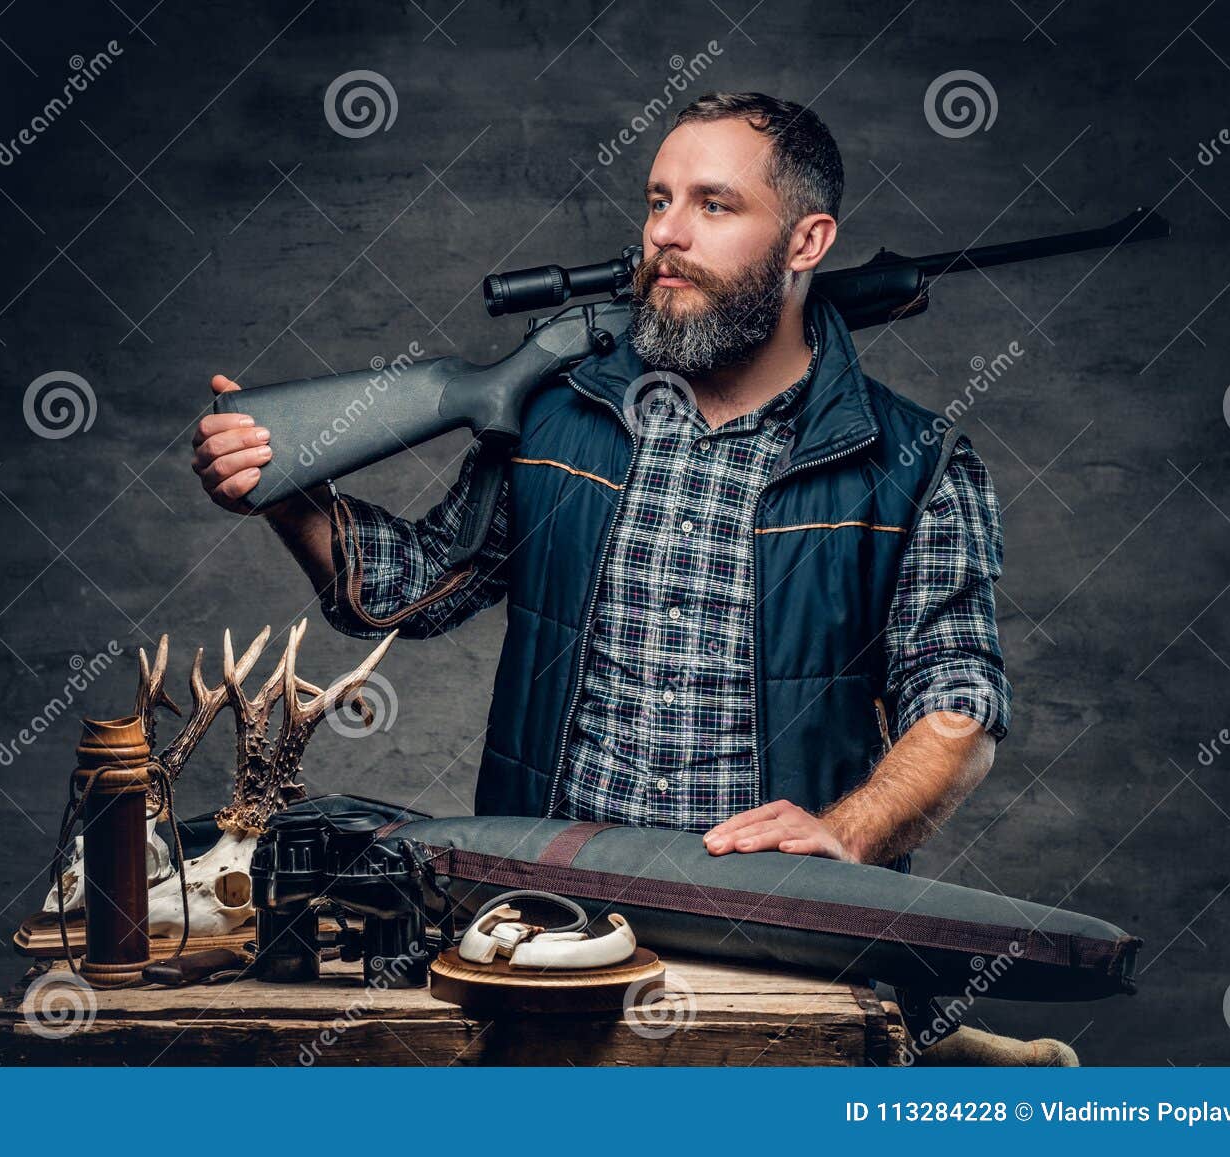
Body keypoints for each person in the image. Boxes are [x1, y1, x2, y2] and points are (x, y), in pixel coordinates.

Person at [192, 92, 1010, 872]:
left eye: (714, 206)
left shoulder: (917, 467)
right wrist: (282, 486)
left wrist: (846, 832)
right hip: (550, 915)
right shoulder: (558, 415)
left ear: (806, 242)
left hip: (779, 927)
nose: (669, 234)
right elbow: (420, 588)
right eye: (659, 201)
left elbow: (959, 703)